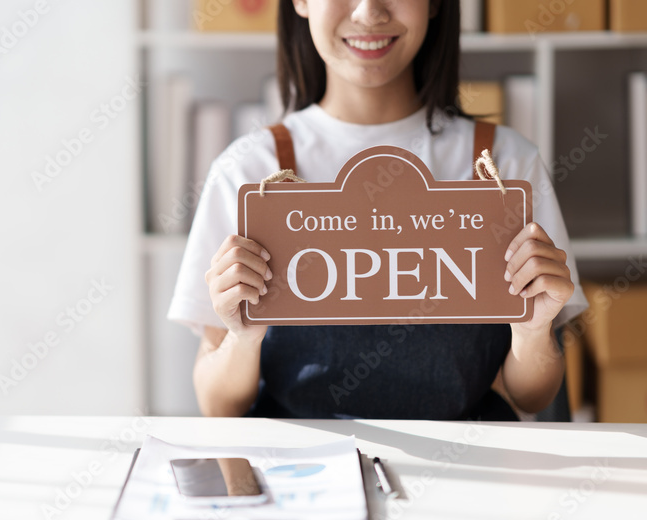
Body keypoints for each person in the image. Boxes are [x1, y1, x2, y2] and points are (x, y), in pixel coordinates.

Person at [167, 0, 588, 420]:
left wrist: (533, 331)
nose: (370, 12)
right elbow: (218, 404)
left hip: (464, 471)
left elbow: (531, 398)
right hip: (303, 469)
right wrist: (242, 338)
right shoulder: (249, 172)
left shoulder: (502, 166)